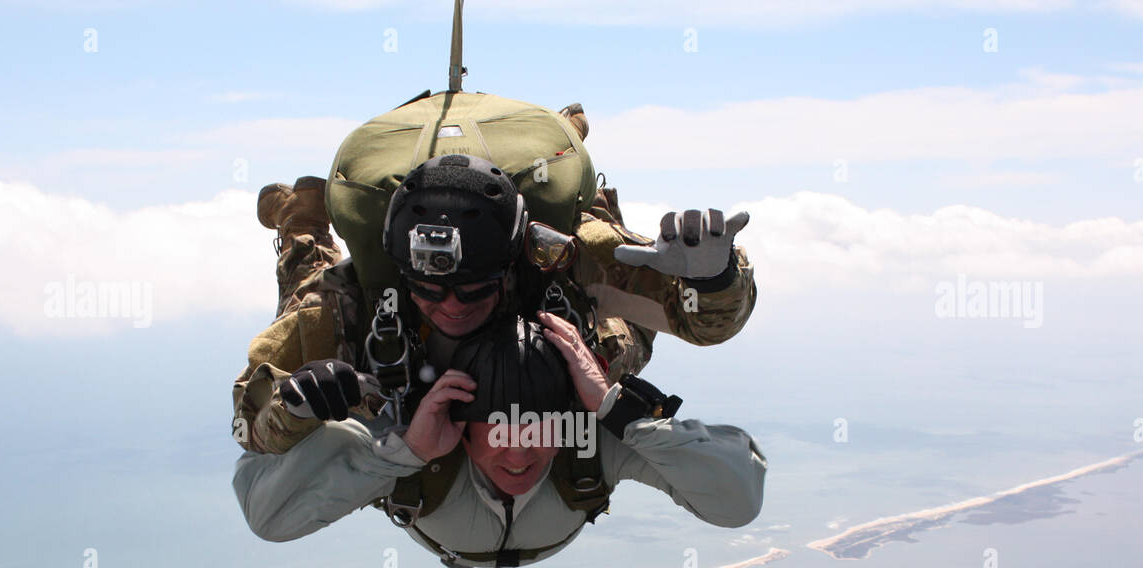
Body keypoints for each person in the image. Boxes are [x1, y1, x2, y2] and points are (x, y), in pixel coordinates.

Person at [232, 103, 758, 456]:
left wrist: (712, 279)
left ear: (512, 263)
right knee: (308, 276)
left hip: (559, 274)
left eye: (476, 287)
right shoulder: (348, 304)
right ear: (402, 272)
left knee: (616, 339)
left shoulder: (568, 257)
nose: (453, 305)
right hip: (384, 360)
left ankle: (564, 159)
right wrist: (296, 403)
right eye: (430, 289)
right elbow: (247, 428)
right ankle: (300, 215)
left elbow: (706, 326)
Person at [232, 313, 767, 568]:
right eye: (499, 430)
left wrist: (616, 410)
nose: (520, 453)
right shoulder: (414, 439)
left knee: (628, 337)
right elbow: (268, 516)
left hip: (583, 389)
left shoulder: (588, 437)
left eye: (538, 430)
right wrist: (403, 451)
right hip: (419, 433)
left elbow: (739, 498)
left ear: (565, 421)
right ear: (460, 425)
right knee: (319, 309)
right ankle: (303, 224)